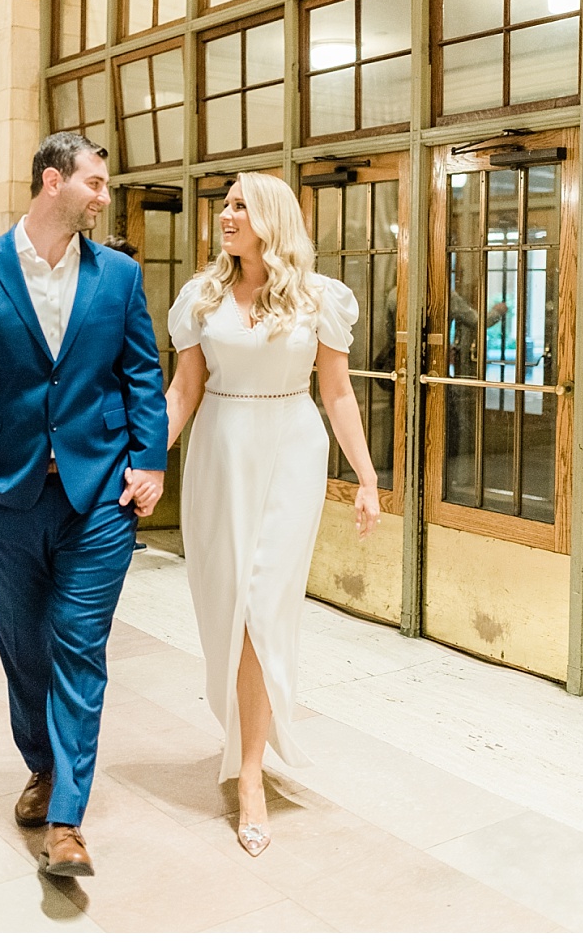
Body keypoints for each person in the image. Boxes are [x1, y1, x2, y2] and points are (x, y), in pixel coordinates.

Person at [0, 131, 168, 878]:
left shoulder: (120, 276)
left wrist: (150, 460)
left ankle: (67, 817)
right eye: (96, 183)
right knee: (24, 645)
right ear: (52, 181)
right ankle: (40, 765)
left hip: (99, 493)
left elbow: (141, 372)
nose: (104, 196)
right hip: (3, 492)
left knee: (77, 642)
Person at [163, 172, 380, 857]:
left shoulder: (319, 300)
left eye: (239, 205)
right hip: (221, 457)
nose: (226, 214)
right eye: (224, 204)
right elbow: (184, 391)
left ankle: (251, 773)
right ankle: (243, 740)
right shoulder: (200, 299)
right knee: (226, 610)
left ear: (271, 218)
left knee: (260, 607)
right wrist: (138, 462)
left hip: (291, 453)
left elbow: (339, 394)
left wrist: (369, 478)